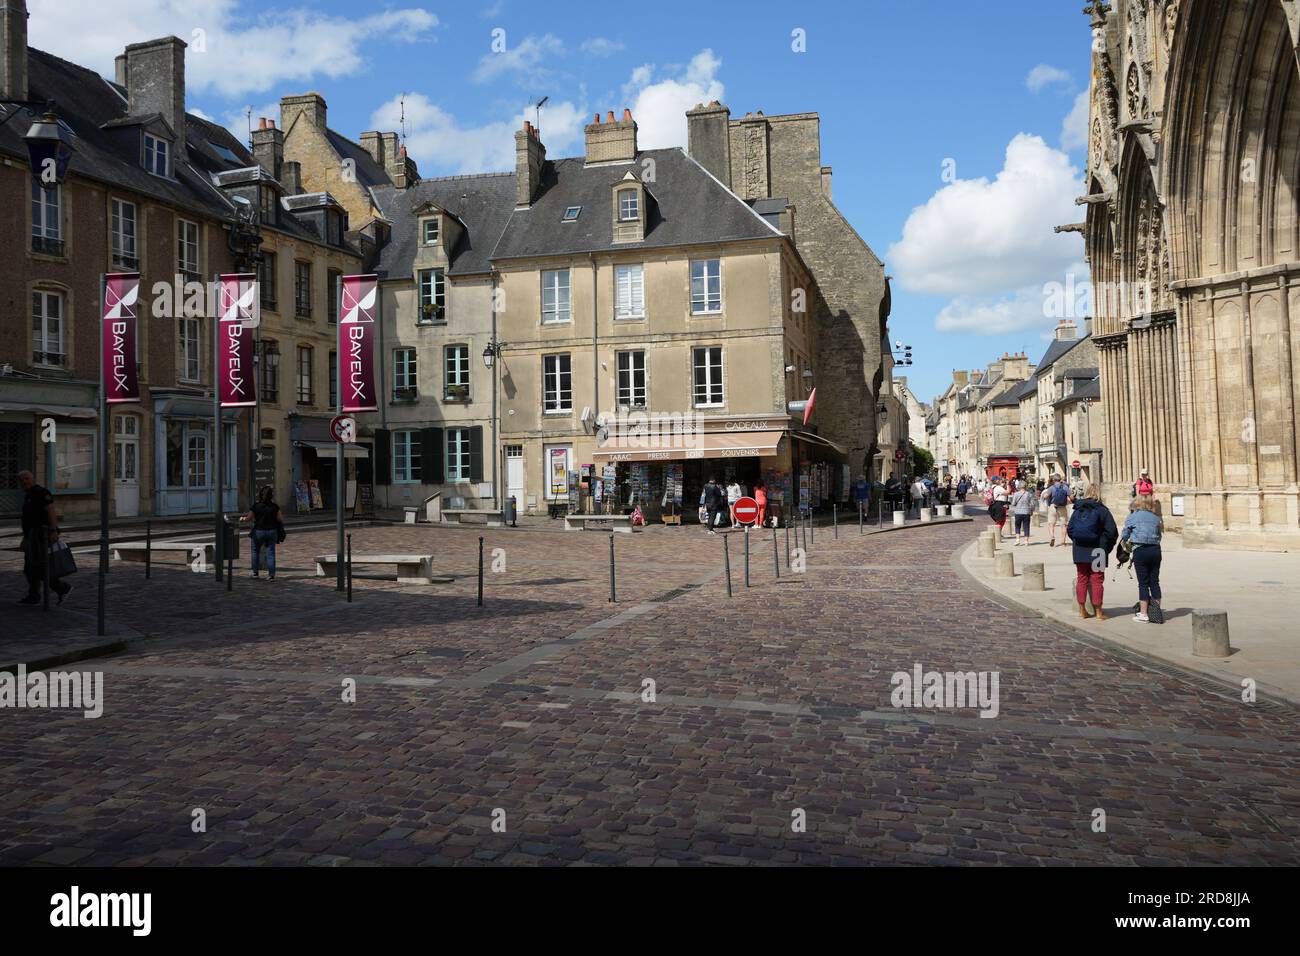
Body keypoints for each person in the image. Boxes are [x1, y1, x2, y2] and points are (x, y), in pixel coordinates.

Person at [16, 470, 69, 605]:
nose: (24, 482)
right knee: (31, 568)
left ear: (33, 479)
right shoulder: (28, 495)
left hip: (41, 535)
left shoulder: (41, 492)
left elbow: (51, 510)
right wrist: (25, 538)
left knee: (36, 567)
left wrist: (54, 530)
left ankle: (60, 588)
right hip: (31, 536)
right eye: (21, 480)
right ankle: (37, 594)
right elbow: (28, 520)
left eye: (26, 479)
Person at [1067, 483, 1119, 620]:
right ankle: (1099, 612)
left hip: (1080, 550)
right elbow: (1112, 532)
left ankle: (1082, 609)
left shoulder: (1078, 509)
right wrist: (1106, 548)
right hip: (1098, 550)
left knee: (1082, 579)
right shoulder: (1102, 510)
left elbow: (1070, 529)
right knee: (1097, 580)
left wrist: (1078, 541)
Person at [1121, 495, 1164, 623]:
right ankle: (1156, 611)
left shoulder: (1132, 517)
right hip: (1155, 550)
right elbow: (1159, 535)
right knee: (1155, 582)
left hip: (1140, 550)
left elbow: (1125, 534)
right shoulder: (1156, 518)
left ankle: (1144, 614)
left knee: (1143, 583)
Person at [240, 486, 283, 580]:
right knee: (271, 553)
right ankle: (271, 575)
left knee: (255, 551)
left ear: (260, 495)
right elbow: (280, 519)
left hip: (259, 531)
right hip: (272, 531)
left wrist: (243, 519)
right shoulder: (275, 506)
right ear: (271, 495)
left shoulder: (256, 506)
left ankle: (255, 573)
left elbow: (248, 518)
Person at [1044, 475, 1072, 548]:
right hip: (1062, 507)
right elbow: (1071, 496)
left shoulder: (1051, 487)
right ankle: (1063, 542)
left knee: (1051, 524)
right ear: (1060, 480)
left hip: (1053, 506)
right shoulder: (1065, 487)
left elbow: (1045, 496)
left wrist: (1047, 497)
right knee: (1063, 525)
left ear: (1054, 480)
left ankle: (1052, 536)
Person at [1010, 479, 1035, 546]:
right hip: (1026, 512)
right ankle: (1026, 541)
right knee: (1026, 526)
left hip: (1018, 512)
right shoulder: (1029, 494)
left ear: (1019, 487)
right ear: (1025, 486)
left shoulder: (1016, 494)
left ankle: (1017, 540)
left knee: (1017, 526)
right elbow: (1032, 504)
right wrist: (1032, 511)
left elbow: (1013, 503)